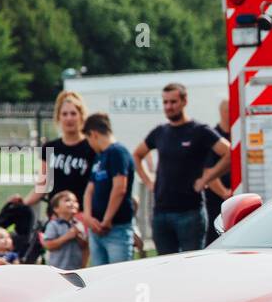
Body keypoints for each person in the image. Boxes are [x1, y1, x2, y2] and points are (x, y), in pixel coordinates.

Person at [132, 83, 231, 254]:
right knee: (164, 266)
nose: (168, 107)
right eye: (165, 102)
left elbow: (229, 153)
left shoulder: (199, 131)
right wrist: (149, 181)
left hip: (190, 212)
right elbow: (137, 155)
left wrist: (206, 179)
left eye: (173, 102)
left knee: (191, 266)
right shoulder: (160, 132)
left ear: (185, 101)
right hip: (161, 213)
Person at [9, 89, 93, 219]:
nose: (69, 118)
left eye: (73, 113)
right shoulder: (50, 148)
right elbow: (43, 186)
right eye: (64, 114)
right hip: (56, 218)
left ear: (81, 116)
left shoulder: (91, 147)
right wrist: (23, 204)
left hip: (83, 218)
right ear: (58, 117)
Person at [81, 112, 136, 266]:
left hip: (115, 229)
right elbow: (89, 190)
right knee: (100, 278)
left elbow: (120, 188)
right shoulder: (100, 157)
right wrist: (87, 217)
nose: (89, 144)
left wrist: (107, 220)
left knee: (119, 277)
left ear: (93, 134)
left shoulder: (117, 152)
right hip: (95, 229)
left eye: (88, 139)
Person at [202, 97, 234, 236]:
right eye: (230, 111)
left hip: (236, 197)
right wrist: (225, 193)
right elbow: (207, 172)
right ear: (223, 112)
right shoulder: (213, 138)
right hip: (217, 201)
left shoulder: (239, 134)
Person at [41, 190, 89, 271]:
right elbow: (48, 245)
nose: (73, 203)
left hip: (76, 269)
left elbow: (85, 247)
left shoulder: (79, 225)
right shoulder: (53, 225)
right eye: (67, 200)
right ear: (56, 208)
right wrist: (66, 237)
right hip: (57, 269)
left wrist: (78, 236)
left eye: (75, 201)